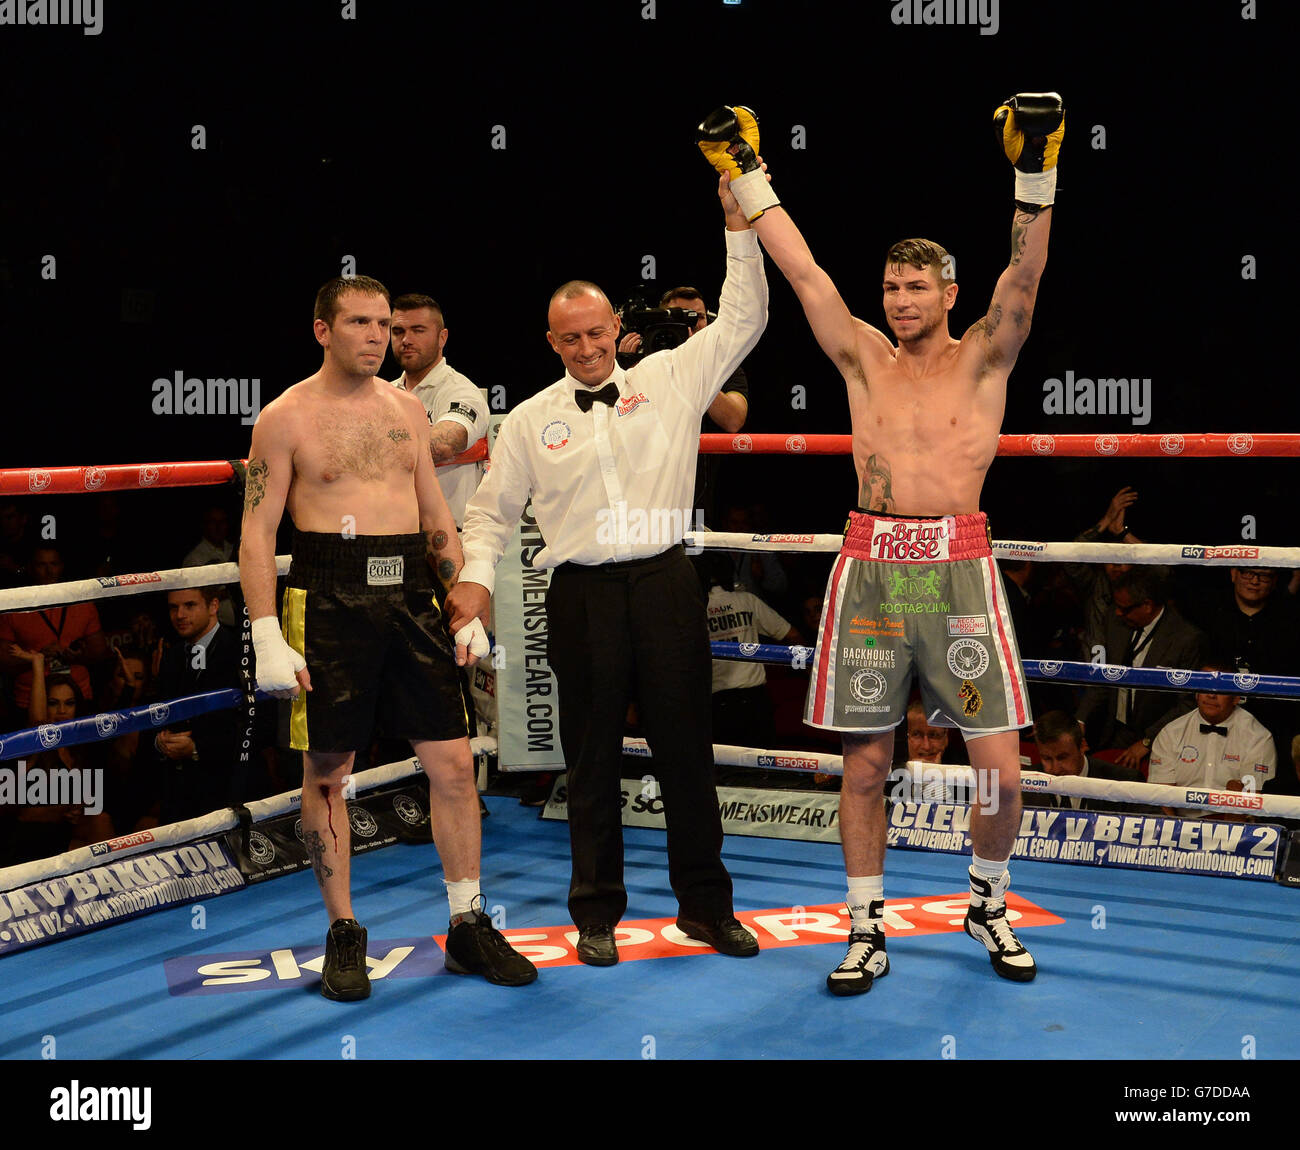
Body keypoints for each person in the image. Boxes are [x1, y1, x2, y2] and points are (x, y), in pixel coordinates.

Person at [696, 96, 1063, 991]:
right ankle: (865, 925)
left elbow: (1025, 274)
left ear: (947, 292)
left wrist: (1037, 169)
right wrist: (744, 171)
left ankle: (987, 896)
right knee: (864, 767)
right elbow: (806, 273)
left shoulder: (985, 353)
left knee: (1000, 776)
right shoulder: (861, 354)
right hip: (871, 565)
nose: (899, 301)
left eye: (915, 288)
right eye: (891, 287)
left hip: (959, 565)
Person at [447, 172, 768, 967]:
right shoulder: (527, 421)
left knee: (686, 752)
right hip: (581, 594)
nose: (588, 349)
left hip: (665, 582)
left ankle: (706, 907)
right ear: (552, 343)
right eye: (571, 339)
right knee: (589, 759)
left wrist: (738, 224)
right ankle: (595, 914)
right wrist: (474, 588)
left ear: (616, 325)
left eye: (598, 333)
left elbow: (748, 316)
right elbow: (486, 514)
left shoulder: (674, 376)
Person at [238, 274, 535, 1000]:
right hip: (326, 592)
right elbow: (255, 532)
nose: (378, 336)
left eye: (385, 324)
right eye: (363, 324)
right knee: (328, 773)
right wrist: (266, 633)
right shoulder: (283, 417)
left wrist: (469, 603)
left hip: (411, 587)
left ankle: (467, 923)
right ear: (322, 331)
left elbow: (436, 515)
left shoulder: (406, 409)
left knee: (456, 766)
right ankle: (343, 931)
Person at [1074, 567, 1203, 771]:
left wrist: (1147, 741)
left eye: (1124, 609)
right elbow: (1104, 676)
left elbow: (1187, 703)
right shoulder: (1115, 621)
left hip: (1158, 738)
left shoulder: (1186, 638)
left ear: (1147, 606)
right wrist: (1080, 719)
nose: (1118, 613)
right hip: (1113, 732)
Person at [389, 294, 489, 529]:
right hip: (394, 532)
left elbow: (443, 444)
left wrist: (371, 448)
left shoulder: (461, 391)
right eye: (398, 331)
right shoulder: (382, 393)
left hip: (449, 533)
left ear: (442, 337)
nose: (406, 339)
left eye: (418, 330)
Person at [150, 586, 246, 822]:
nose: (180, 615)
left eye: (190, 605)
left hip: (228, 789)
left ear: (213, 606)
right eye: (174, 607)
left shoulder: (241, 651)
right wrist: (160, 740)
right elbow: (158, 713)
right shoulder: (172, 656)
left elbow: (260, 724)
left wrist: (197, 748)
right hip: (179, 793)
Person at [0, 544, 108, 716]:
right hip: (30, 697)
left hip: (77, 694)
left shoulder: (82, 602)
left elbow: (100, 652)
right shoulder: (14, 604)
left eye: (54, 564)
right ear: (30, 567)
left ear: (62, 566)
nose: (48, 571)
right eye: (41, 565)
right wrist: (37, 658)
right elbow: (3, 661)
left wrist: (74, 656)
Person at [1148, 663, 1276, 794]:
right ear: (1196, 692)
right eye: (1206, 686)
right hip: (1178, 814)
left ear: (1236, 697)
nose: (1211, 695)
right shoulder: (1171, 733)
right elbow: (1159, 797)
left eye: (1220, 689)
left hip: (1232, 813)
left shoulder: (1258, 737)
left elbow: (1251, 799)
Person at [1028, 709, 1145, 813]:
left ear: (1083, 746)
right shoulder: (1024, 783)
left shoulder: (1125, 784)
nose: (1055, 769)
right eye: (1046, 758)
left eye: (1062, 757)